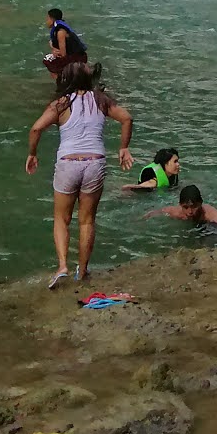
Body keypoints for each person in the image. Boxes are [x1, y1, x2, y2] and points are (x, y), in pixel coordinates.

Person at [25, 61, 135, 289]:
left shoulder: (61, 103)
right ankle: (82, 271)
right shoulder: (101, 100)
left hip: (68, 163)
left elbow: (36, 128)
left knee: (61, 219)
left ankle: (62, 267)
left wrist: (32, 153)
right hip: (95, 162)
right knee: (87, 221)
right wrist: (123, 148)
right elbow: (127, 118)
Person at [149, 185, 217, 233]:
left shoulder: (208, 213)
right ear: (180, 205)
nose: (190, 212)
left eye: (194, 207)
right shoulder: (176, 212)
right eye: (186, 207)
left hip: (208, 224)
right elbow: (158, 212)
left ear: (200, 203)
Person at [43, 8, 87, 76]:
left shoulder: (60, 32)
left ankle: (61, 78)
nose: (46, 22)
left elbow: (63, 54)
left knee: (49, 62)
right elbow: (53, 43)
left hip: (76, 57)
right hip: (73, 55)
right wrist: (54, 48)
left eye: (47, 19)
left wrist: (55, 51)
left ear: (52, 19)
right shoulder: (59, 28)